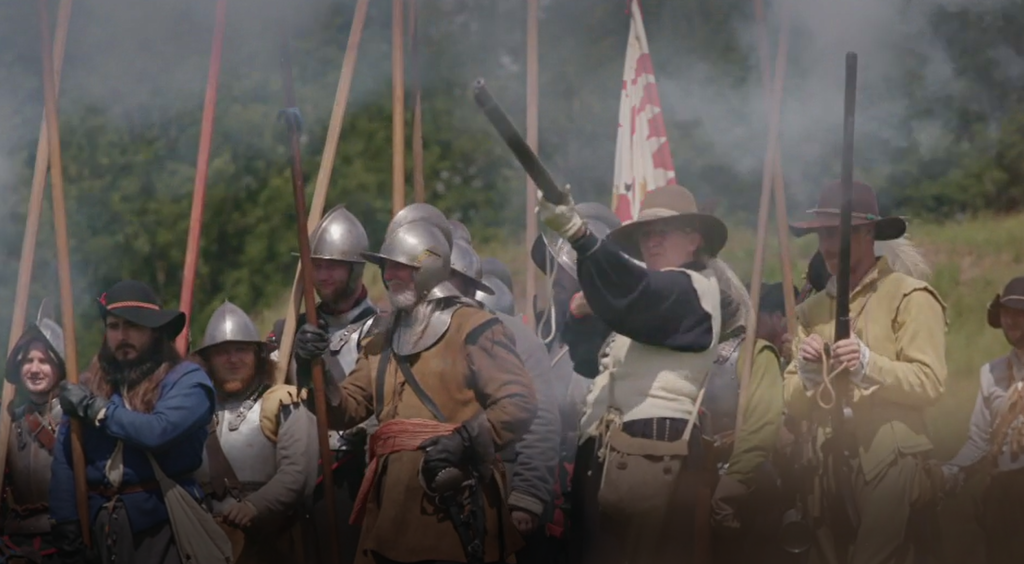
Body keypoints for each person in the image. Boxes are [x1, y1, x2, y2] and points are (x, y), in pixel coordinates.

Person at [311, 215, 537, 564]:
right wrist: (314, 366)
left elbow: (518, 403)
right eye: (386, 267)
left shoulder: (473, 326)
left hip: (451, 498)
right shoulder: (381, 335)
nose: (388, 276)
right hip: (391, 508)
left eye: (400, 267)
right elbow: (346, 409)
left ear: (428, 268)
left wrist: (466, 441)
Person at [539, 183, 741, 564]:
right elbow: (585, 360)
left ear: (694, 240)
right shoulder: (646, 302)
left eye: (663, 231)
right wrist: (586, 313)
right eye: (647, 233)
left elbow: (639, 293)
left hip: (652, 458)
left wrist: (580, 235)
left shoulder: (694, 289)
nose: (652, 240)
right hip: (610, 458)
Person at [783, 180, 947, 564]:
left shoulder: (910, 296)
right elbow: (792, 403)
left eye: (838, 232)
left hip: (890, 454)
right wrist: (808, 374)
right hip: (824, 461)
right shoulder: (810, 313)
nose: (827, 244)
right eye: (823, 233)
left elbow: (930, 383)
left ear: (868, 233)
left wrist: (866, 364)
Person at [50, 280, 216, 564]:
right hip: (98, 529)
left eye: (133, 326)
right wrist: (67, 526)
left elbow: (158, 431)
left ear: (155, 332)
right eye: (113, 326)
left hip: (163, 527)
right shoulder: (89, 386)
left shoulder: (187, 380)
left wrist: (97, 410)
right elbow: (66, 457)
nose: (122, 335)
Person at [451, 238, 561, 563]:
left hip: (501, 482)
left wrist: (526, 494)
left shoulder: (515, 336)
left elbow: (540, 418)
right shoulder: (428, 334)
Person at [193, 301, 319, 564]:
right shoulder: (196, 411)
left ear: (257, 355)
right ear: (208, 360)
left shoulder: (284, 401)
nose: (233, 359)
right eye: (222, 352)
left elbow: (297, 474)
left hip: (271, 542)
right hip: (208, 543)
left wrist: (254, 506)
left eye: (241, 349)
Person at [284, 204, 376, 564]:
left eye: (332, 265)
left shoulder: (382, 329)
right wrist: (298, 356)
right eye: (316, 265)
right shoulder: (293, 328)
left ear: (355, 269)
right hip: (301, 468)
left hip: (353, 471)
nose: (322, 275)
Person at [942, 276, 1024, 564]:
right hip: (1003, 499)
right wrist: (951, 472)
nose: (1012, 320)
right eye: (1007, 313)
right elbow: (979, 441)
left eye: (1020, 313)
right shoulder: (990, 373)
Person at [0, 309, 66, 563]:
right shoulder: (8, 420)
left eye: (44, 361)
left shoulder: (77, 419)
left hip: (66, 540)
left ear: (59, 365)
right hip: (15, 541)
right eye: (28, 360)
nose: (34, 369)